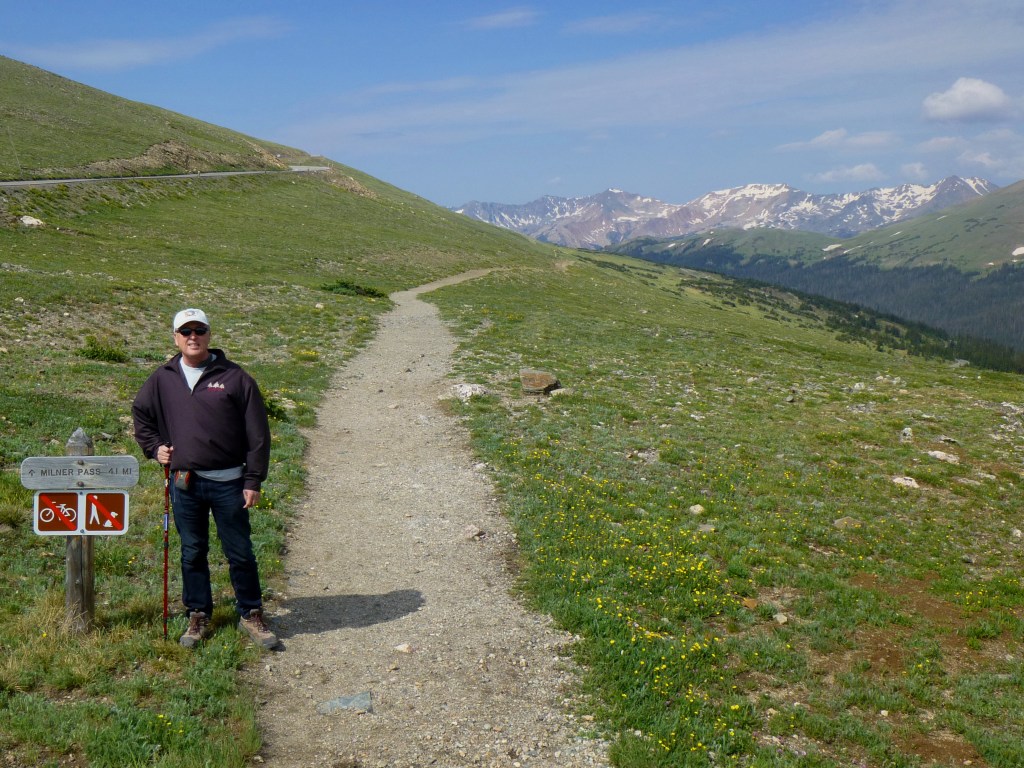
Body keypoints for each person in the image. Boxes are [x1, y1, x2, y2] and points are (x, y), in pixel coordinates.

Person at [132, 308, 279, 650]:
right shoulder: (163, 377)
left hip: (230, 483)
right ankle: (198, 613)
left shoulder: (236, 378)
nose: (193, 337)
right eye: (186, 331)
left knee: (240, 551)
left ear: (209, 335)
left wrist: (253, 480)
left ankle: (251, 613)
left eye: (199, 330)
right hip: (185, 483)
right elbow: (141, 413)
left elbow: (258, 435)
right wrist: (155, 448)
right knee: (192, 551)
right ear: (175, 338)